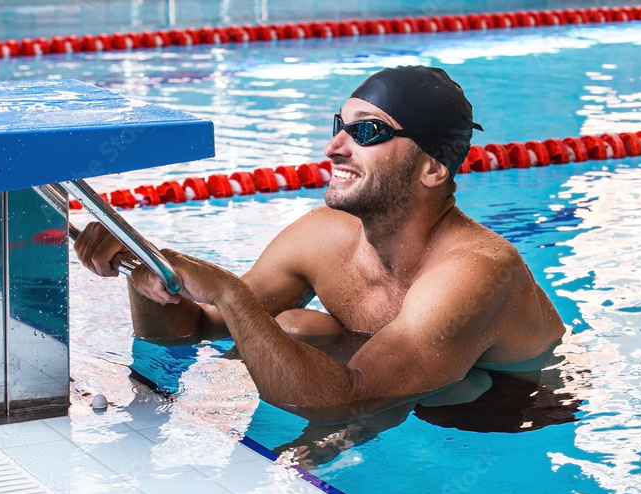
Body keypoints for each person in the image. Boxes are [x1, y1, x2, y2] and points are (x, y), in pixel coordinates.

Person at [74, 65, 566, 415]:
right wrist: (145, 266)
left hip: (510, 408)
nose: (334, 148)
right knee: (292, 327)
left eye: (367, 131)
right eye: (340, 127)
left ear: (433, 167)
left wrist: (229, 290)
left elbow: (344, 400)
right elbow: (181, 333)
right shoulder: (320, 237)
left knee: (435, 396)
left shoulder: (476, 268)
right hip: (405, 372)